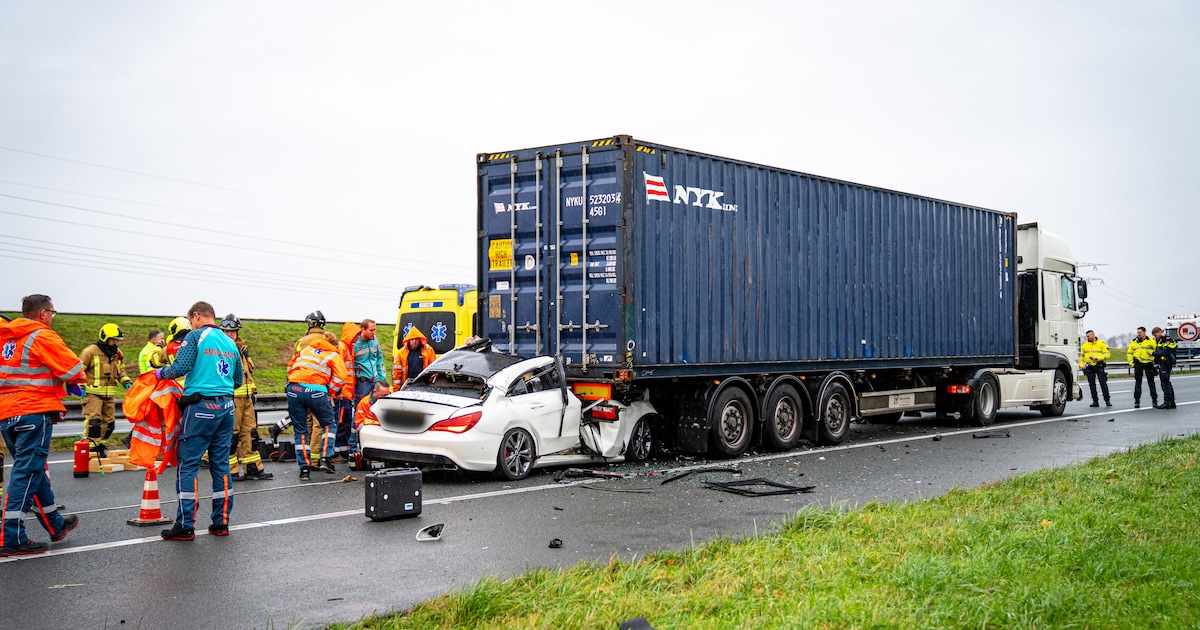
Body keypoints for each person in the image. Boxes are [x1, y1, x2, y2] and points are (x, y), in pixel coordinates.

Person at [1, 294, 87, 556]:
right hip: (33, 412)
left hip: (7, 413)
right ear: (42, 313)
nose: (52, 317)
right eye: (52, 312)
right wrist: (70, 380)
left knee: (32, 471)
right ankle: (11, 536)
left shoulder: (7, 337)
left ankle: (56, 524)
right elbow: (74, 370)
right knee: (26, 473)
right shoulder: (42, 335)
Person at [155, 301, 242, 541]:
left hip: (201, 407)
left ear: (196, 316)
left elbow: (180, 367)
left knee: (188, 464)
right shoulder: (229, 342)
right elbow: (238, 382)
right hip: (226, 408)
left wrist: (159, 373)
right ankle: (221, 522)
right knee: (221, 465)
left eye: (191, 320)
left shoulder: (195, 336)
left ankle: (185, 525)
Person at [285, 330, 347, 480]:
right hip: (316, 391)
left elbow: (290, 366)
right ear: (333, 344)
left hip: (294, 389)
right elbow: (342, 375)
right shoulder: (332, 353)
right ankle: (325, 458)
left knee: (301, 430)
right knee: (329, 425)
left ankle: (304, 469)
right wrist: (330, 392)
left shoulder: (307, 349)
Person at [221, 314, 272, 481]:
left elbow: (248, 374)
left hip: (247, 399)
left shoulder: (242, 349)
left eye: (233, 331)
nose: (230, 334)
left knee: (250, 434)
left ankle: (253, 469)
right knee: (231, 436)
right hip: (232, 399)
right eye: (227, 331)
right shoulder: (221, 350)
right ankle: (230, 471)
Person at [267, 310, 327, 445]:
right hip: (320, 387)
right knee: (319, 423)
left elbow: (293, 364)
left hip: (299, 386)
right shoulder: (327, 341)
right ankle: (316, 456)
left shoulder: (301, 342)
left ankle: (306, 456)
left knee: (305, 422)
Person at [77, 323, 133, 442]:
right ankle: (91, 448)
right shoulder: (90, 352)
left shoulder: (117, 354)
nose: (116, 343)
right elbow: (79, 371)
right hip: (92, 394)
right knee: (94, 423)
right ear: (105, 338)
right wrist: (80, 387)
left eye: (117, 340)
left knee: (109, 424)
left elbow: (120, 371)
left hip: (109, 396)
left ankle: (101, 445)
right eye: (113, 340)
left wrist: (127, 382)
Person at [1078, 330, 1112, 408]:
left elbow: (1107, 354)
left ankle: (1107, 400)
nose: (1088, 338)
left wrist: (1098, 358)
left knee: (1103, 383)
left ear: (1093, 335)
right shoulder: (1084, 345)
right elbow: (1081, 357)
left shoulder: (1101, 344)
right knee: (1092, 385)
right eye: (1086, 336)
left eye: (1089, 336)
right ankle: (1095, 401)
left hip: (1099, 365)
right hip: (1089, 367)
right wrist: (1082, 365)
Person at [1127, 326, 1158, 409]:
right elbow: (1129, 353)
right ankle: (1137, 401)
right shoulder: (1134, 342)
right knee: (1138, 383)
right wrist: (1132, 363)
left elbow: (1157, 351)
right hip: (1138, 364)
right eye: (1137, 333)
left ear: (1144, 332)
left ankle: (1154, 401)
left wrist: (1155, 361)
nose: (1138, 334)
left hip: (1148, 364)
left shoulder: (1151, 341)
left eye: (1140, 333)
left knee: (1151, 383)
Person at [1152, 326, 1177, 409]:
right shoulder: (1160, 341)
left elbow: (1165, 351)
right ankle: (1171, 402)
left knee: (1165, 383)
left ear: (1160, 332)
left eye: (1156, 335)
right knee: (1166, 382)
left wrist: (1153, 354)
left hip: (1167, 363)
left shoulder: (1168, 340)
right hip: (1162, 363)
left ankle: (1167, 402)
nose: (1155, 337)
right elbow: (1158, 351)